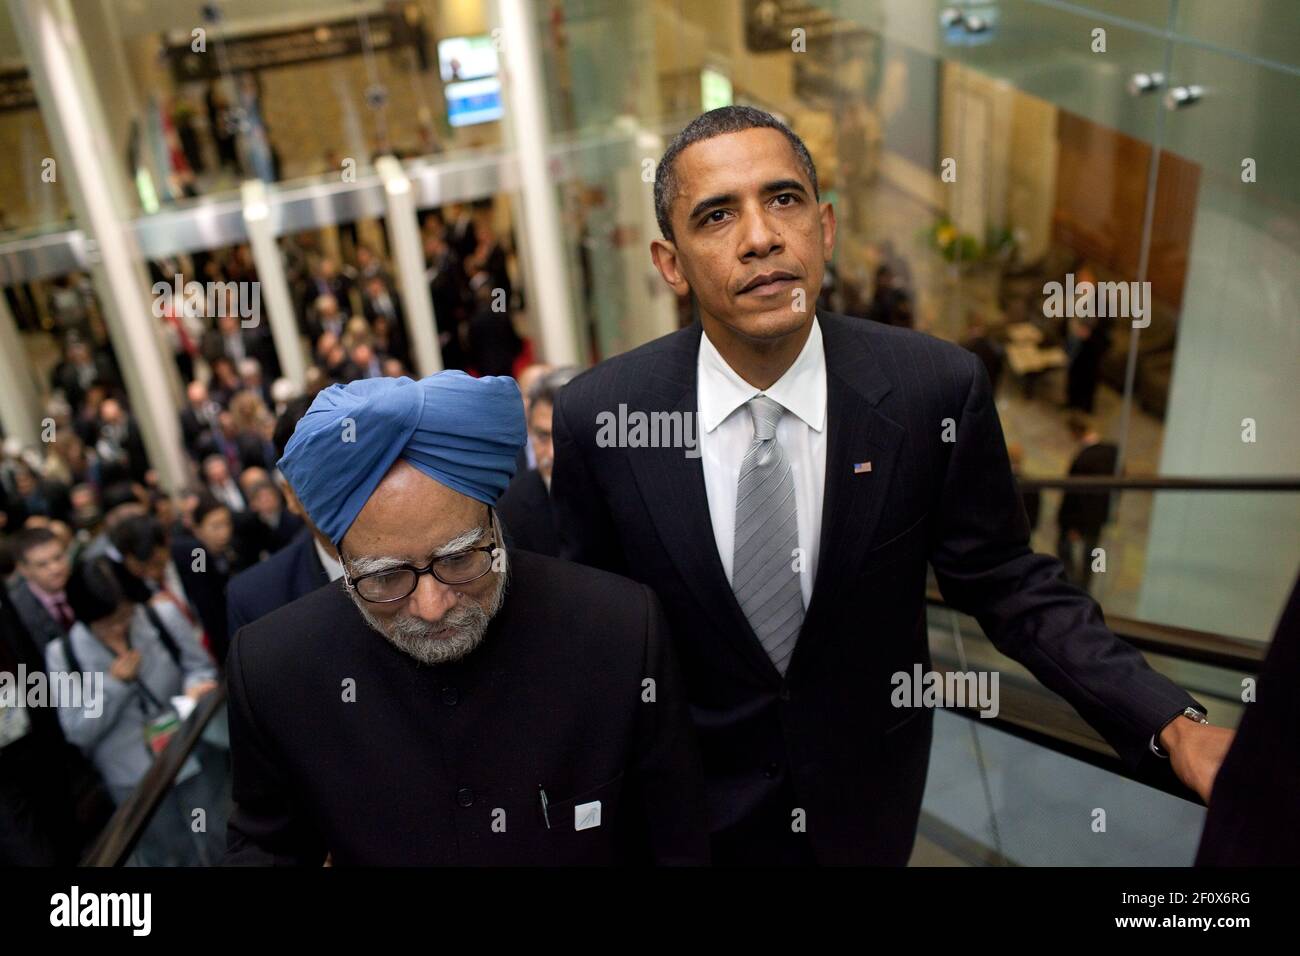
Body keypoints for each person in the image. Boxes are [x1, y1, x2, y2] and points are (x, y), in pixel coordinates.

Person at [551, 105, 1233, 865]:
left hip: (865, 810)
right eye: (716, 215)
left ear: (826, 227)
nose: (761, 237)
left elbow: (1010, 583)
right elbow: (592, 637)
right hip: (686, 820)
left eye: (784, 200)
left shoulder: (931, 391)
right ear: (670, 262)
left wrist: (1173, 723)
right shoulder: (603, 418)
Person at [224, 371, 707, 865]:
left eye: (458, 560)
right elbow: (264, 848)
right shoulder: (274, 668)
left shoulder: (619, 628)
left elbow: (678, 840)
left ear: (493, 526)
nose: (432, 607)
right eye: (387, 578)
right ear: (342, 561)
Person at [46, 557, 220, 865]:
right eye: (106, 623)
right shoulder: (62, 654)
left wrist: (196, 688)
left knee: (216, 833)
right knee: (165, 854)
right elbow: (77, 731)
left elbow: (201, 667)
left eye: (124, 615)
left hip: (188, 751)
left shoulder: (160, 616)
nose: (119, 627)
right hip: (132, 778)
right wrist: (114, 686)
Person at [225, 397, 340, 633]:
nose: (338, 487)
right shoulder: (258, 602)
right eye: (315, 475)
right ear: (290, 495)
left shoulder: (430, 553)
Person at [497, 367, 577, 557]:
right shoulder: (509, 508)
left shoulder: (622, 494)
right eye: (542, 436)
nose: (551, 453)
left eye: (563, 438)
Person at [1056, 415, 1119, 590]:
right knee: (1093, 555)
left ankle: (1072, 589)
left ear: (1076, 432)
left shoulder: (1082, 460)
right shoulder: (1112, 452)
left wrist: (1073, 525)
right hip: (1099, 516)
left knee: (1066, 551)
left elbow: (1075, 496)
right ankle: (1085, 588)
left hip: (1079, 519)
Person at [7, 526, 75, 657]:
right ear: (23, 570)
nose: (55, 569)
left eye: (58, 557)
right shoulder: (17, 613)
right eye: (42, 564)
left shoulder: (85, 583)